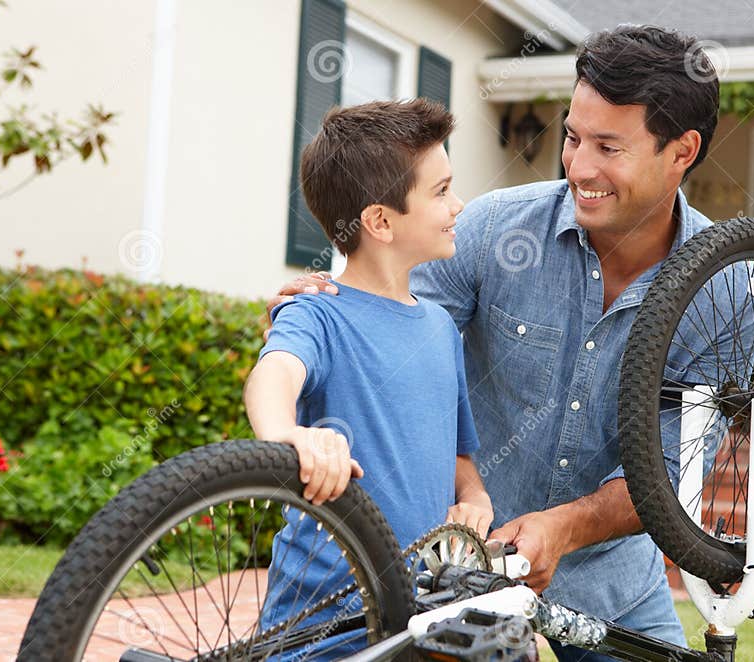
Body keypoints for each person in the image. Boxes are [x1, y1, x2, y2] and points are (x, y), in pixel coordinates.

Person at [270, 25, 726, 661]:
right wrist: (327, 304)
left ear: (682, 151)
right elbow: (390, 324)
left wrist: (563, 528)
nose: (578, 165)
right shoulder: (491, 231)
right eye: (572, 136)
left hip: (615, 586)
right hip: (455, 578)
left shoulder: (723, 287)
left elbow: (674, 471)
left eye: (608, 146)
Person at [244, 98, 493, 657]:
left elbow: (458, 459)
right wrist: (289, 435)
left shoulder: (441, 329)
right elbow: (274, 374)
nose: (458, 205)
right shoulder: (317, 310)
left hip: (411, 618)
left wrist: (475, 499)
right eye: (440, 191)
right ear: (380, 221)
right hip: (319, 628)